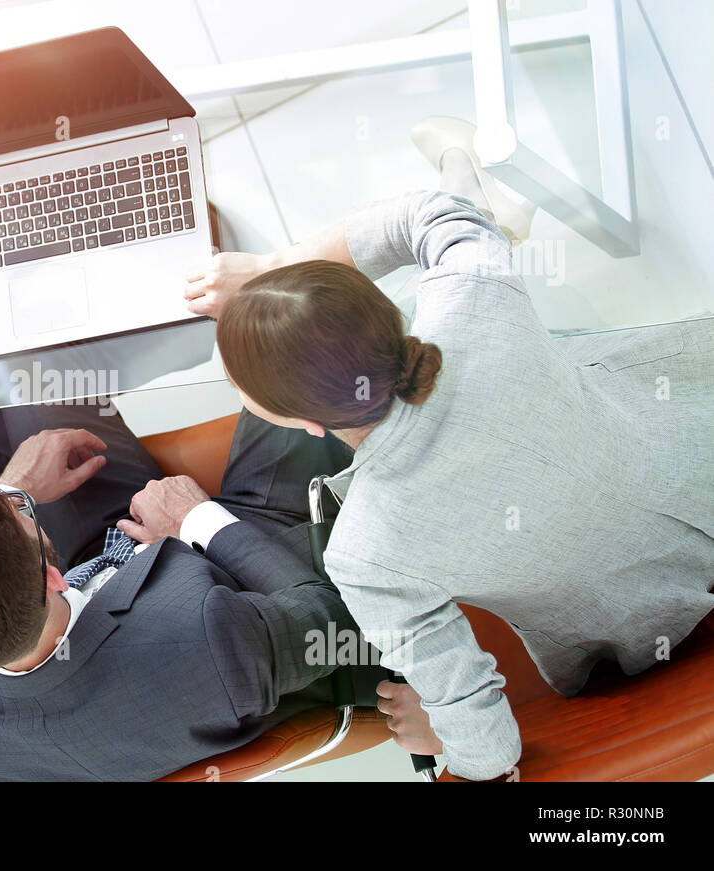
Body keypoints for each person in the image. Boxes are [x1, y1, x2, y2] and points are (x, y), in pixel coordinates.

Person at [189, 117, 714, 780]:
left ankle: (493, 213)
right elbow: (437, 214)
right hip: (696, 437)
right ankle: (489, 205)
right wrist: (273, 265)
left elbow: (489, 749)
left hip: (647, 622)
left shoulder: (367, 552)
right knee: (478, 284)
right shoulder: (475, 296)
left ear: (304, 423)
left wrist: (441, 737)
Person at [0, 400, 393, 781]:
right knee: (290, 355)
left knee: (40, 379)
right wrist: (198, 522)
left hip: (100, 558)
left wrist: (14, 488)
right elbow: (332, 621)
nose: (21, 503)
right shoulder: (207, 640)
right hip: (240, 563)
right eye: (22, 514)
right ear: (48, 576)